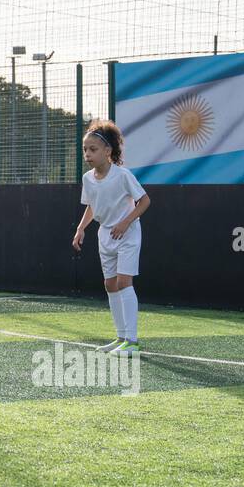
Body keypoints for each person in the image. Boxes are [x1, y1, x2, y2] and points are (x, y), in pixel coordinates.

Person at [71, 120, 150, 354]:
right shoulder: (87, 179)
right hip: (105, 235)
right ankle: (121, 337)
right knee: (110, 284)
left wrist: (126, 222)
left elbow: (145, 201)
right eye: (85, 149)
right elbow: (92, 206)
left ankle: (132, 342)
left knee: (125, 282)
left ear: (108, 151)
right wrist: (81, 228)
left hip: (128, 234)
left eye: (93, 149)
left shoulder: (122, 175)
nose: (87, 154)